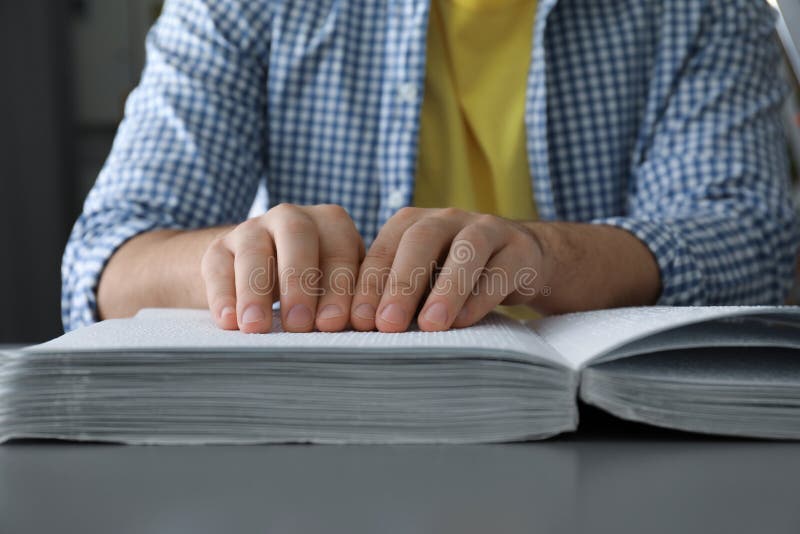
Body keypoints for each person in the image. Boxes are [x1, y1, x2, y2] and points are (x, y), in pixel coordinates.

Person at [62, 0, 799, 335]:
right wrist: (233, 263)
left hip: (620, 444)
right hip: (305, 451)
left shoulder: (705, 10)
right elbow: (102, 261)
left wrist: (545, 257)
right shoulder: (240, 7)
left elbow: (755, 245)